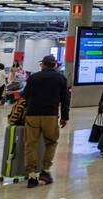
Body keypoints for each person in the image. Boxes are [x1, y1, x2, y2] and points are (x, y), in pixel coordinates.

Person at [21, 54, 69, 189]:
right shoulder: (60, 78)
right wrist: (64, 117)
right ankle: (45, 171)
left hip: (32, 115)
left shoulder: (33, 77)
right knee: (51, 142)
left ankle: (31, 175)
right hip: (50, 115)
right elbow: (65, 100)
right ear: (54, 65)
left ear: (43, 65)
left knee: (30, 144)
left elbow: (24, 96)